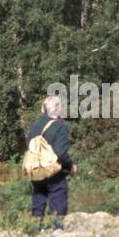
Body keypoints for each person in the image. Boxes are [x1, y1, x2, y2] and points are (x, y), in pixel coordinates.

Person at [27, 95, 77, 229]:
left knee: (37, 208)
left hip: (36, 172)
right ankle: (57, 235)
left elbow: (29, 145)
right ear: (58, 107)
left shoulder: (35, 125)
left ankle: (34, 233)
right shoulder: (60, 126)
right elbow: (61, 153)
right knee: (58, 209)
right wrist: (70, 165)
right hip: (55, 174)